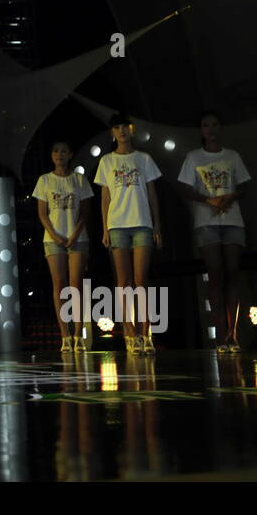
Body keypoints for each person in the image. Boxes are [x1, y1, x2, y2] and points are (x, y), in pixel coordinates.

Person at [177, 111, 251, 353]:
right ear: (201, 130)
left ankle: (233, 333)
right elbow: (185, 188)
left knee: (232, 274)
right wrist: (208, 200)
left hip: (232, 219)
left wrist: (231, 195)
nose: (210, 129)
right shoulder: (194, 157)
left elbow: (245, 184)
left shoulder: (232, 155)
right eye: (206, 125)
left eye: (215, 124)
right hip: (206, 221)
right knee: (215, 274)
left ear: (221, 128)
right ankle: (220, 335)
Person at [93, 113, 163, 354]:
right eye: (116, 127)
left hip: (142, 222)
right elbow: (104, 198)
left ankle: (146, 331)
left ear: (132, 130)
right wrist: (104, 229)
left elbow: (153, 193)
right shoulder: (106, 161)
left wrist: (157, 225)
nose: (121, 131)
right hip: (117, 224)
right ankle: (130, 332)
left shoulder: (144, 159)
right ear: (112, 133)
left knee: (141, 280)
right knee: (123, 282)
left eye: (125, 126)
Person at [33, 141, 94, 352]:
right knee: (59, 285)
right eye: (56, 150)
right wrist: (54, 235)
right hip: (53, 238)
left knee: (76, 285)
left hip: (77, 237)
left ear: (70, 155)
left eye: (64, 151)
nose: (60, 154)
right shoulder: (44, 180)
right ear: (51, 155)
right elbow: (42, 213)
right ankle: (64, 336)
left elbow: (86, 212)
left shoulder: (79, 179)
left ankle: (78, 334)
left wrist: (74, 234)